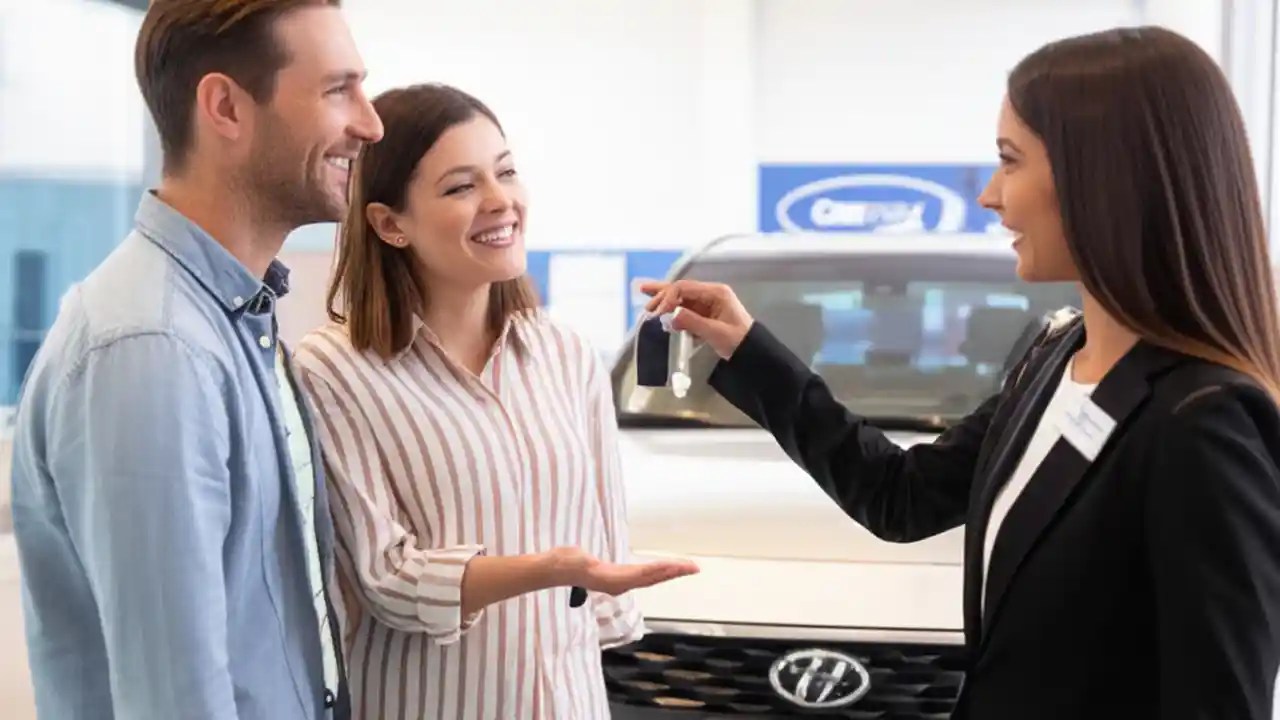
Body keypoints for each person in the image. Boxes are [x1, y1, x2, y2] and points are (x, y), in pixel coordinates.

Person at [643, 26, 1280, 720]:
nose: (990, 196)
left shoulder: (1204, 423)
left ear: (1103, 178)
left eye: (1010, 162)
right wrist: (747, 346)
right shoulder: (1056, 359)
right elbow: (901, 497)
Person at [8, 2, 383, 718]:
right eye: (339, 90)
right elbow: (174, 698)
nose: (371, 123)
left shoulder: (233, 321)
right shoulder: (152, 351)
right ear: (225, 108)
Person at [291, 82, 698, 720]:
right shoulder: (334, 370)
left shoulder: (566, 355)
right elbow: (389, 581)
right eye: (461, 187)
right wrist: (553, 567)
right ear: (390, 224)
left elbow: (605, 592)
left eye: (505, 171)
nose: (500, 200)